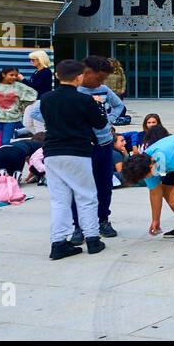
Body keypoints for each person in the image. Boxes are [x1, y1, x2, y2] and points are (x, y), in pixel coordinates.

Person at [39, 59, 108, 260]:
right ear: (79, 77)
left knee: (59, 200)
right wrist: (98, 106)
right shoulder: (84, 100)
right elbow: (100, 123)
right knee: (86, 196)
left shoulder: (46, 98)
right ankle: (93, 239)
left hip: (52, 152)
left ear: (57, 76)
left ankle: (58, 242)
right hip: (78, 151)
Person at [66, 56, 126, 242]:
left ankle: (103, 220)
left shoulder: (103, 90)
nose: (100, 83)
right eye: (98, 78)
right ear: (85, 72)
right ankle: (79, 226)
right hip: (83, 146)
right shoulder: (74, 91)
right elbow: (42, 111)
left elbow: (119, 105)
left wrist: (109, 120)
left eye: (103, 80)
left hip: (105, 144)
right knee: (80, 188)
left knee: (104, 185)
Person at [0, 68, 38, 170]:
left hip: (11, 119)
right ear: (4, 74)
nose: (14, 77)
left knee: (5, 142)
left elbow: (32, 95)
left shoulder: (19, 87)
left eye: (15, 75)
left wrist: (21, 107)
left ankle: (1, 163)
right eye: (11, 75)